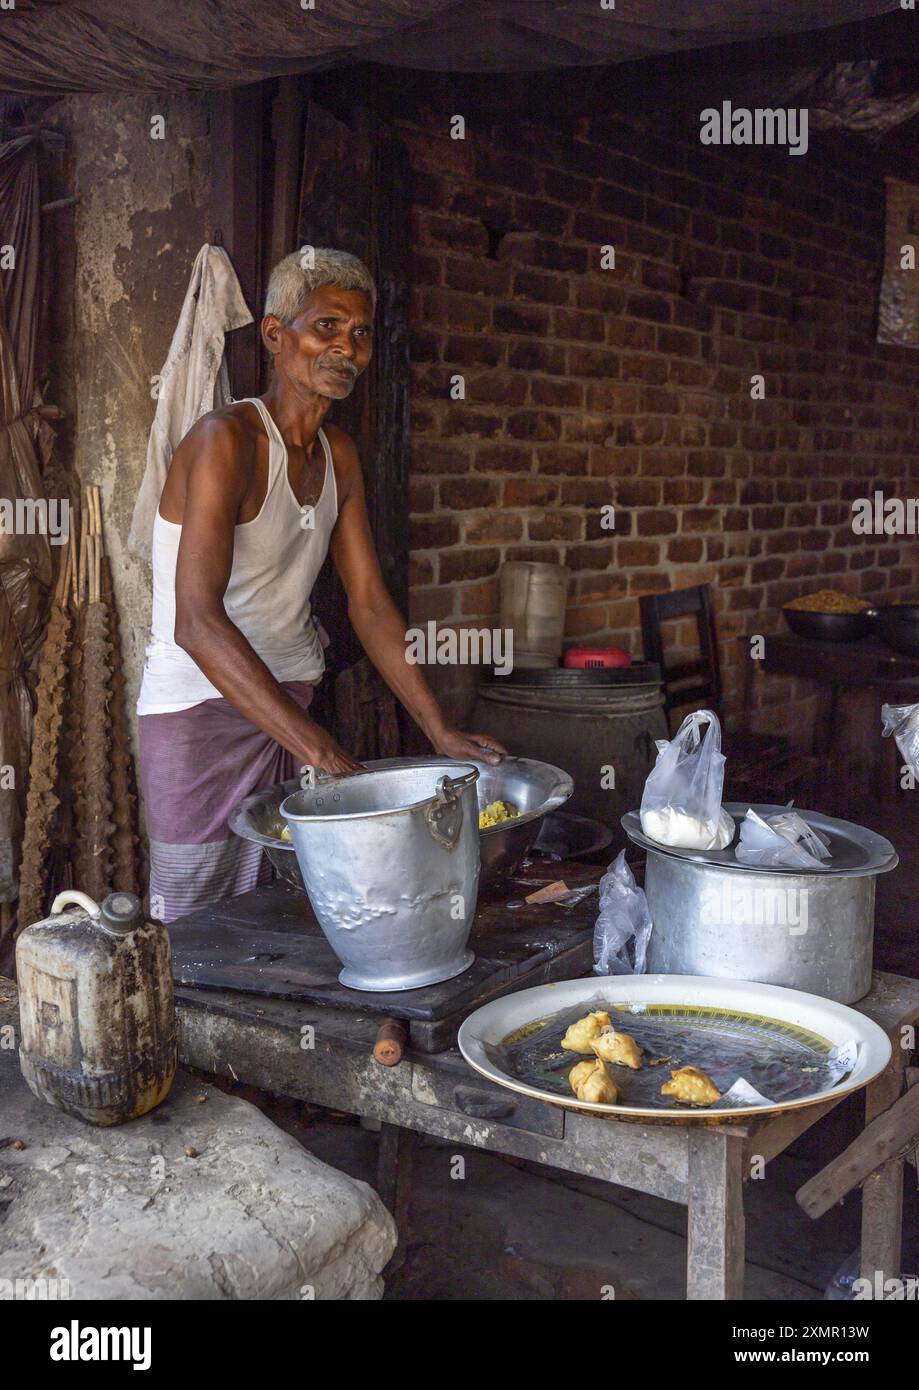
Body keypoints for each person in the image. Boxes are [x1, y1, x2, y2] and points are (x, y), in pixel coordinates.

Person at [137, 248, 505, 922]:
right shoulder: (226, 442)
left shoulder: (338, 457)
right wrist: (316, 747)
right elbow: (195, 622)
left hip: (291, 705)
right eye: (326, 327)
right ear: (276, 335)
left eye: (360, 333)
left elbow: (367, 604)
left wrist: (437, 728)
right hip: (199, 718)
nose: (346, 348)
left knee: (293, 910)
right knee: (194, 926)